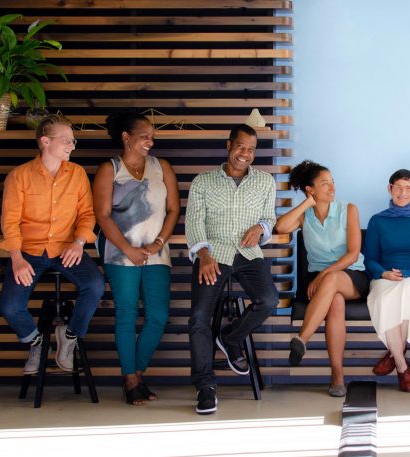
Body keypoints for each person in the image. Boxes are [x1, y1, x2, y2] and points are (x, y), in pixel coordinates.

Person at [0, 115, 104, 375]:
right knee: (10, 307)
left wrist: (79, 243)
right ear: (45, 141)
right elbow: (10, 221)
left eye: (73, 140)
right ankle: (36, 342)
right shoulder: (19, 176)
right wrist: (16, 258)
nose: (72, 146)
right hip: (29, 252)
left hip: (66, 248)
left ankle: (69, 337)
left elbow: (87, 215)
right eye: (66, 140)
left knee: (95, 285)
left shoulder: (77, 174)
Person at [185, 123, 279, 415]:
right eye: (240, 147)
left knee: (269, 300)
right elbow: (193, 222)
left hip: (248, 254)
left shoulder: (265, 181)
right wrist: (203, 253)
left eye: (251, 149)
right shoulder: (203, 181)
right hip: (214, 254)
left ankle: (230, 337)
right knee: (199, 319)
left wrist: (261, 228)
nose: (245, 154)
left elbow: (270, 218)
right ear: (228, 146)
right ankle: (205, 387)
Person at [93, 111, 180, 405]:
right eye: (144, 136)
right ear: (126, 137)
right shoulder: (109, 169)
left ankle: (136, 372)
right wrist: (128, 248)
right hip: (120, 255)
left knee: (158, 317)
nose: (150, 142)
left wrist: (158, 242)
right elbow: (102, 216)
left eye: (152, 136)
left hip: (157, 253)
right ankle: (130, 379)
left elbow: (173, 210)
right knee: (126, 315)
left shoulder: (162, 167)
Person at [275, 160, 368, 398]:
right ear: (310, 189)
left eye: (332, 182)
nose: (332, 187)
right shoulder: (305, 216)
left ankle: (301, 339)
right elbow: (281, 227)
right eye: (324, 183)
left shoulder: (349, 209)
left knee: (333, 282)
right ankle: (337, 377)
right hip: (322, 281)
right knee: (334, 303)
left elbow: (353, 254)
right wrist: (307, 203)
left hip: (352, 275)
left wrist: (326, 274)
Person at [364, 169, 410, 393]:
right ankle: (402, 366)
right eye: (398, 187)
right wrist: (384, 273)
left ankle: (394, 356)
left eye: (408, 188)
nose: (403, 193)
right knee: (389, 295)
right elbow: (370, 259)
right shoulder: (377, 221)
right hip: (385, 277)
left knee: (406, 289)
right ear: (390, 189)